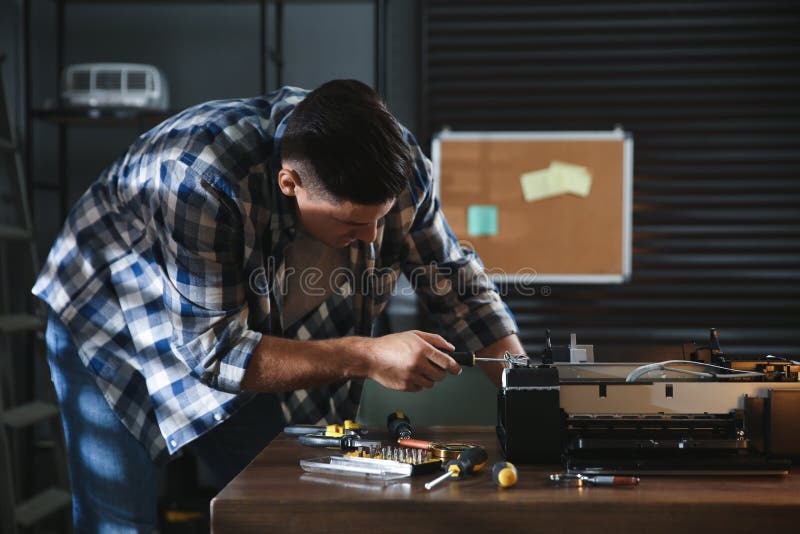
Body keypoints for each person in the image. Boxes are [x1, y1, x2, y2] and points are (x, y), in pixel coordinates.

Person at [33, 79, 522, 532]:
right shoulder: (200, 177)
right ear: (290, 184)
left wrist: (524, 389)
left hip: (226, 327)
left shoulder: (400, 164)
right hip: (107, 316)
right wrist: (368, 355)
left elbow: (455, 284)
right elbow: (215, 352)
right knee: (121, 522)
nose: (372, 239)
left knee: (293, 509)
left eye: (382, 218)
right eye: (352, 223)